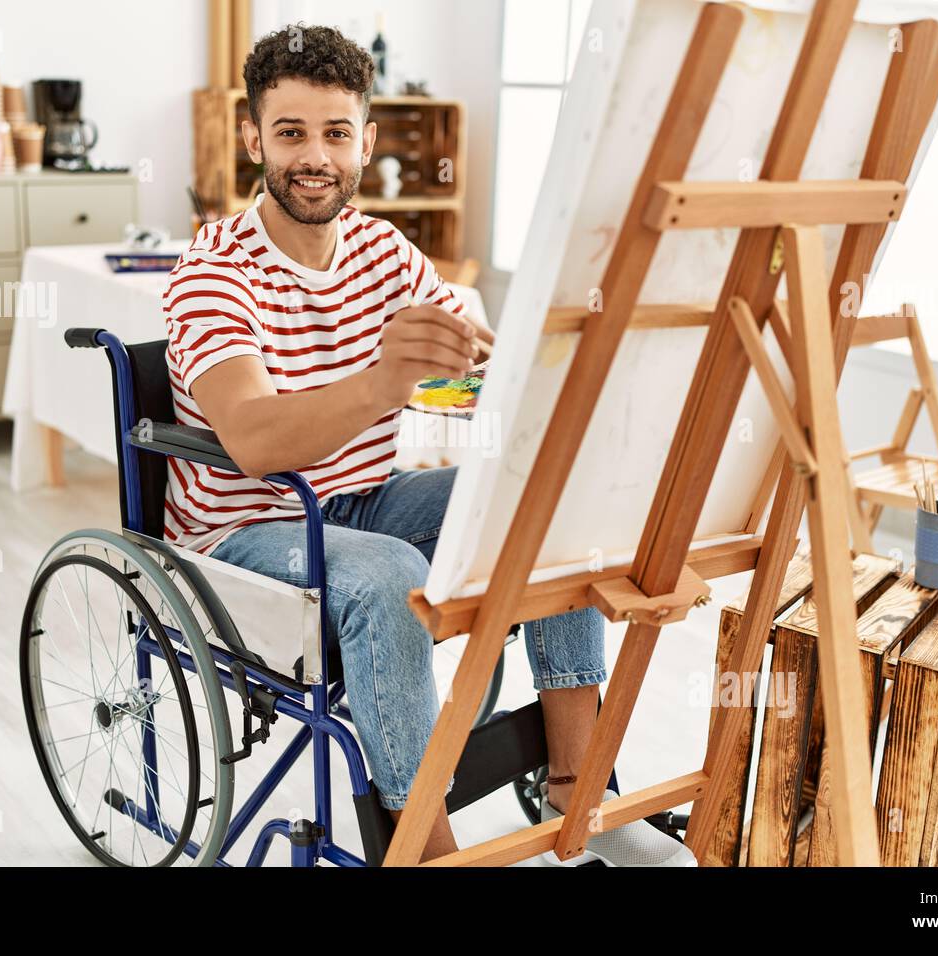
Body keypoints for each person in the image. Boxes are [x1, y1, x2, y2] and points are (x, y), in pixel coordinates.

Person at [162, 23, 694, 867]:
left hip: (363, 504)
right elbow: (257, 441)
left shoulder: (382, 249)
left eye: (336, 133)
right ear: (251, 136)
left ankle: (578, 783)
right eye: (291, 132)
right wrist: (382, 382)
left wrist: (534, 387)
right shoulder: (213, 271)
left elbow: (457, 384)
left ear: (366, 142)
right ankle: (425, 850)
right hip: (246, 532)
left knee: (541, 495)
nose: (315, 156)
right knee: (390, 578)